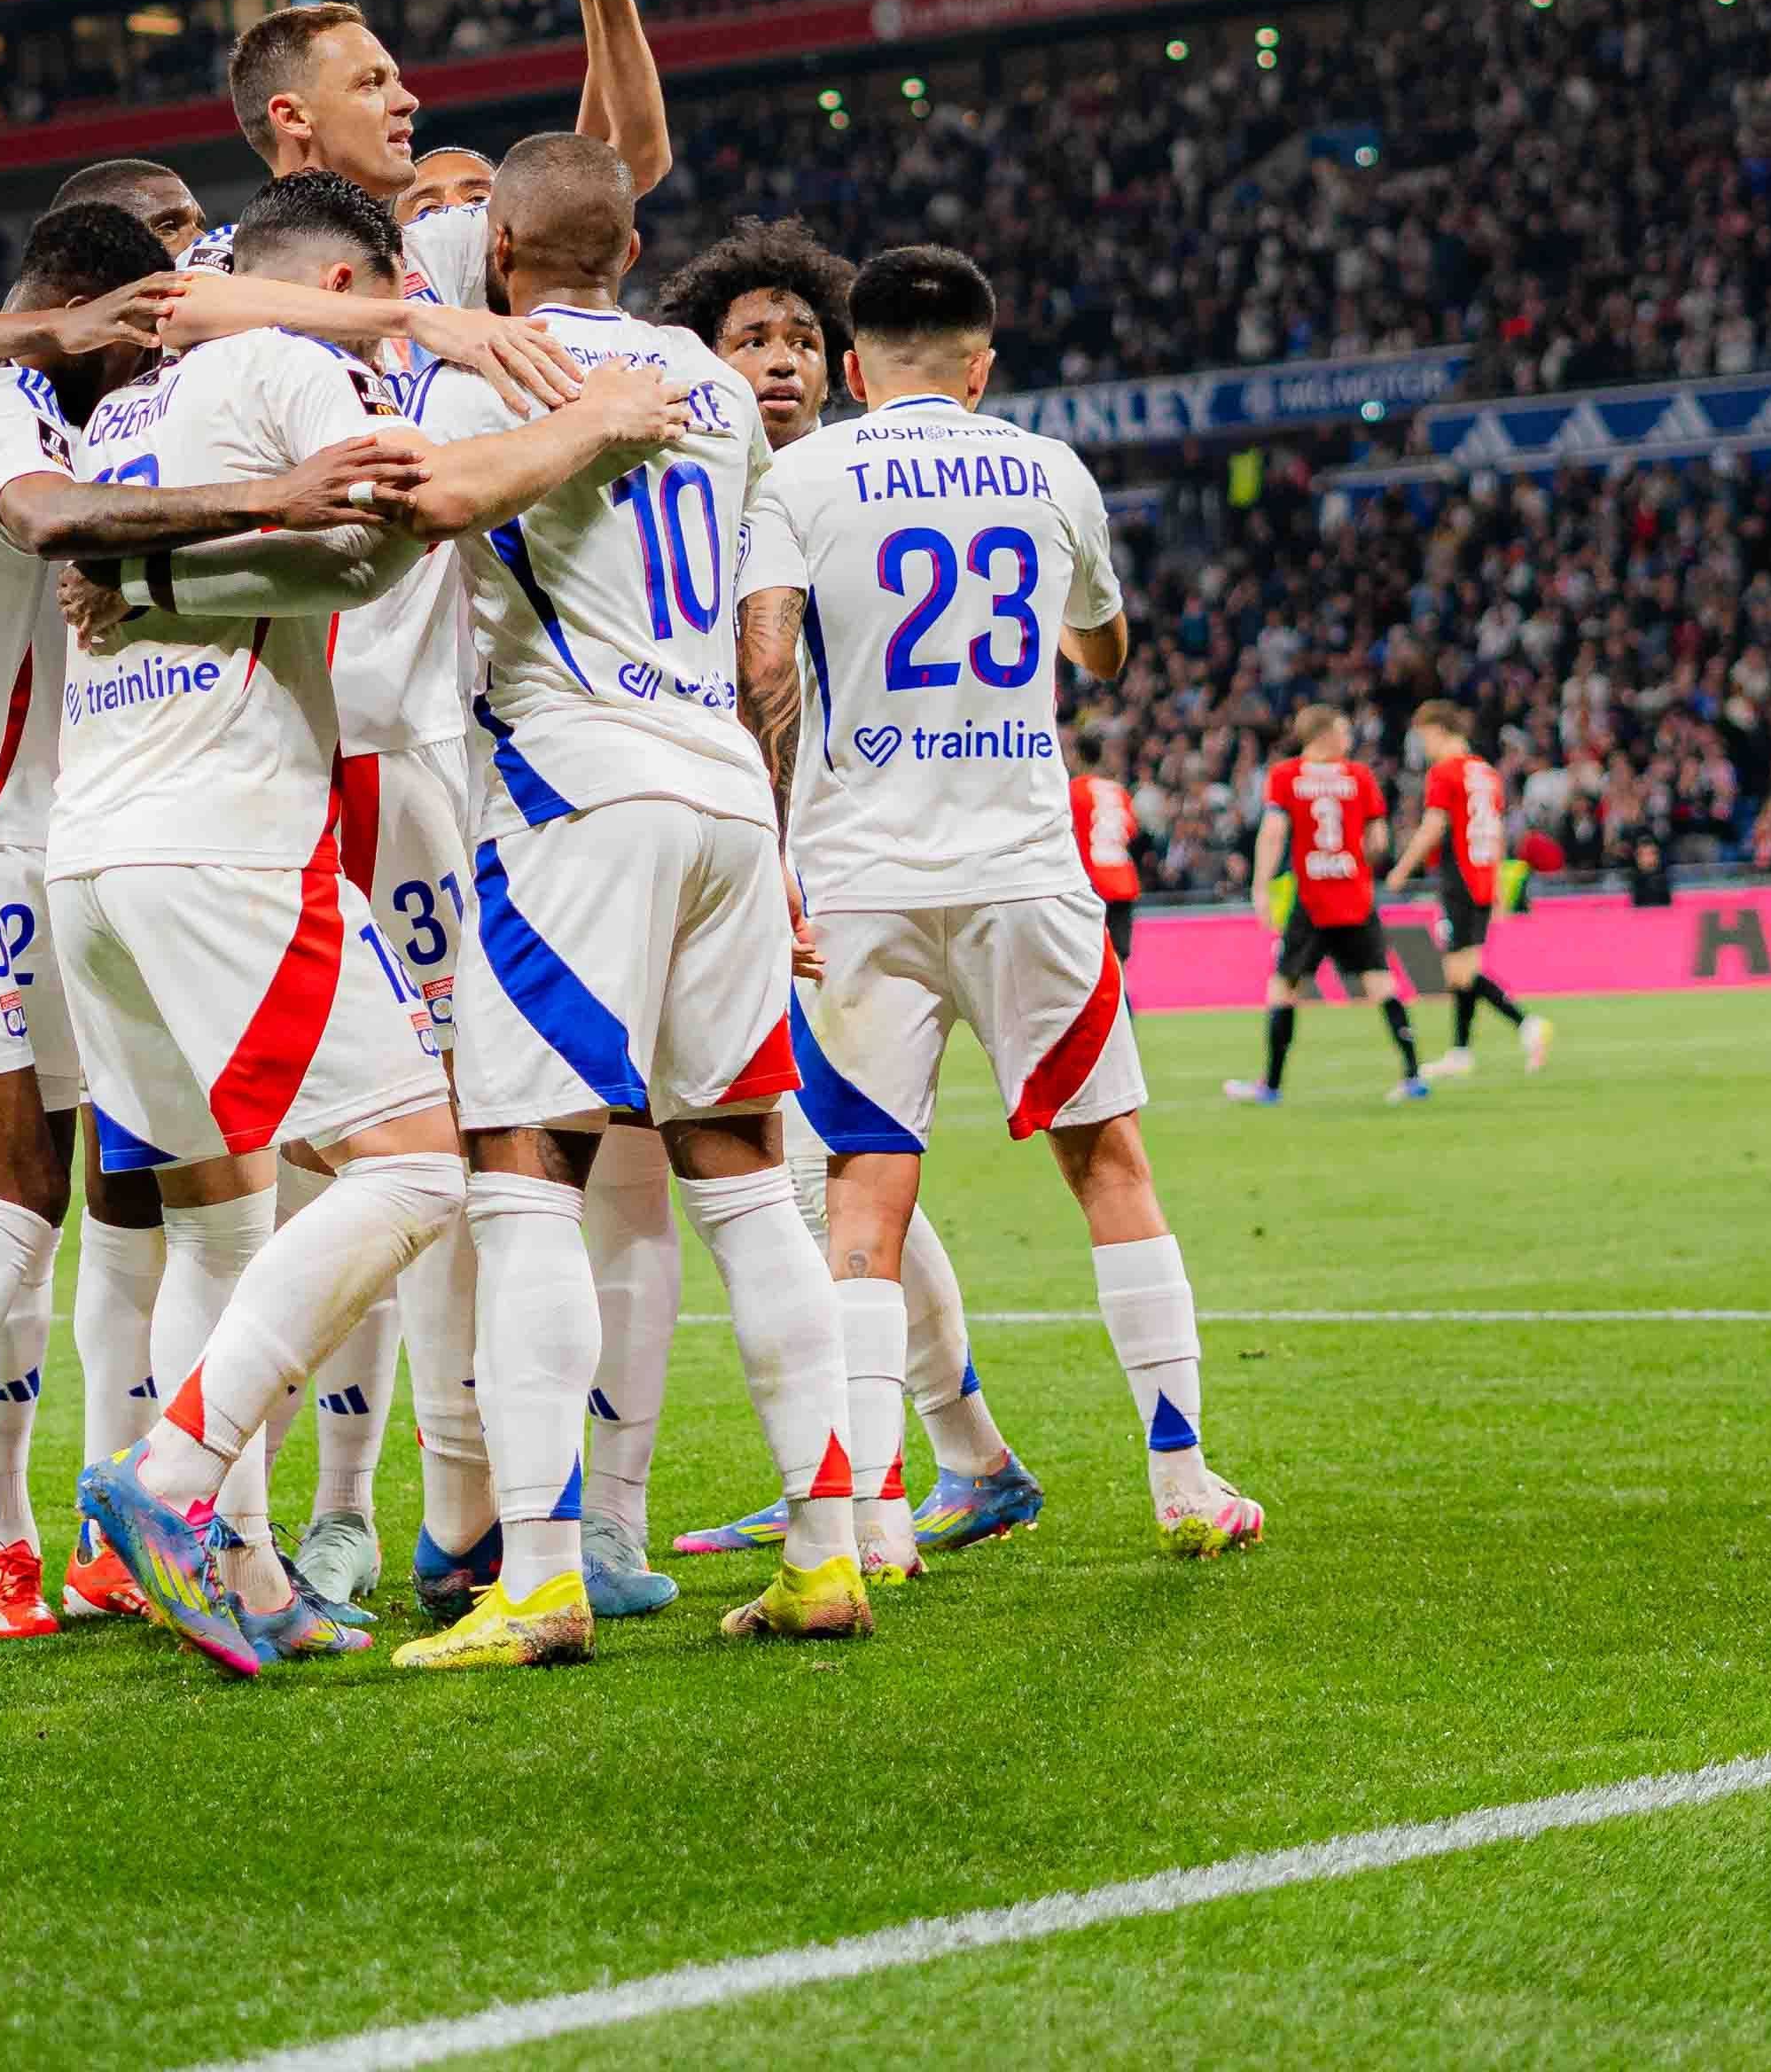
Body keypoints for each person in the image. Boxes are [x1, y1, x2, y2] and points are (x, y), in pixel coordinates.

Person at [0, 197, 431, 1670]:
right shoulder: (4, 409)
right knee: (17, 1192)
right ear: (104, 320)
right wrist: (272, 501)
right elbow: (52, 521)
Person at [45, 166, 689, 1677]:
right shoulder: (290, 366)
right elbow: (394, 523)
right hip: (230, 836)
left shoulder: (134, 407)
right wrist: (591, 422)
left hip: (95, 850)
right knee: (415, 1172)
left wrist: (146, 587)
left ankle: (256, 1572)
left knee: (223, 1221)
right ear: (349, 287)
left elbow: (293, 553)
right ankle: (169, 1479)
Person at [389, 132, 866, 1669]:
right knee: (745, 1179)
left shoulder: (493, 372)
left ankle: (538, 1575)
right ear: (639, 244)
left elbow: (430, 503)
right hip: (725, 785)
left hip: (571, 785)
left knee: (525, 1176)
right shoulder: (715, 385)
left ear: (505, 253)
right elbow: (761, 643)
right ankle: (827, 1548)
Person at [737, 244, 1263, 1565]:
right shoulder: (1051, 470)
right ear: (982, 367)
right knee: (1112, 1167)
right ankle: (1185, 1481)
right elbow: (1102, 646)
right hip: (1027, 869)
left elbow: (763, 665)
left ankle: (865, 1519)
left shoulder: (797, 474)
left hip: (858, 879)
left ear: (852, 370)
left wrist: (768, 850)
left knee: (864, 1193)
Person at [655, 220, 1049, 1574]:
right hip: (725, 859)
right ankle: (951, 1454)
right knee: (845, 1182)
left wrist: (780, 867)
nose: (777, 362)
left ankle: (866, 1462)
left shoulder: (842, 490)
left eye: (797, 340)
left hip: (816, 872)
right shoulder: (678, 479)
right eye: (745, 341)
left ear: (844, 360)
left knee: (815, 1182)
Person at [1229, 705, 1424, 1102]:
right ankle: (1414, 1076)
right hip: (1355, 897)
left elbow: (1273, 833)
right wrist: (1352, 860)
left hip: (1312, 901)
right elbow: (1379, 842)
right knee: (1381, 983)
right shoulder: (1359, 776)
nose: (1348, 737)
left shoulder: (1286, 776)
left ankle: (1271, 1086)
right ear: (1323, 734)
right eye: (1343, 730)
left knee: (1283, 988)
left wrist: (1260, 887)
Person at [1383, 701, 1554, 1075]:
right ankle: (1461, 1052)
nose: (1423, 745)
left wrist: (1401, 869)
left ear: (1439, 730)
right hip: (1481, 875)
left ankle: (1526, 1024)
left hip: (1458, 876)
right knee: (1462, 969)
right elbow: (1495, 831)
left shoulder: (1445, 772)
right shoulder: (1485, 772)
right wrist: (1495, 885)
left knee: (1460, 970)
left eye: (1424, 736)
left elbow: (1433, 825)